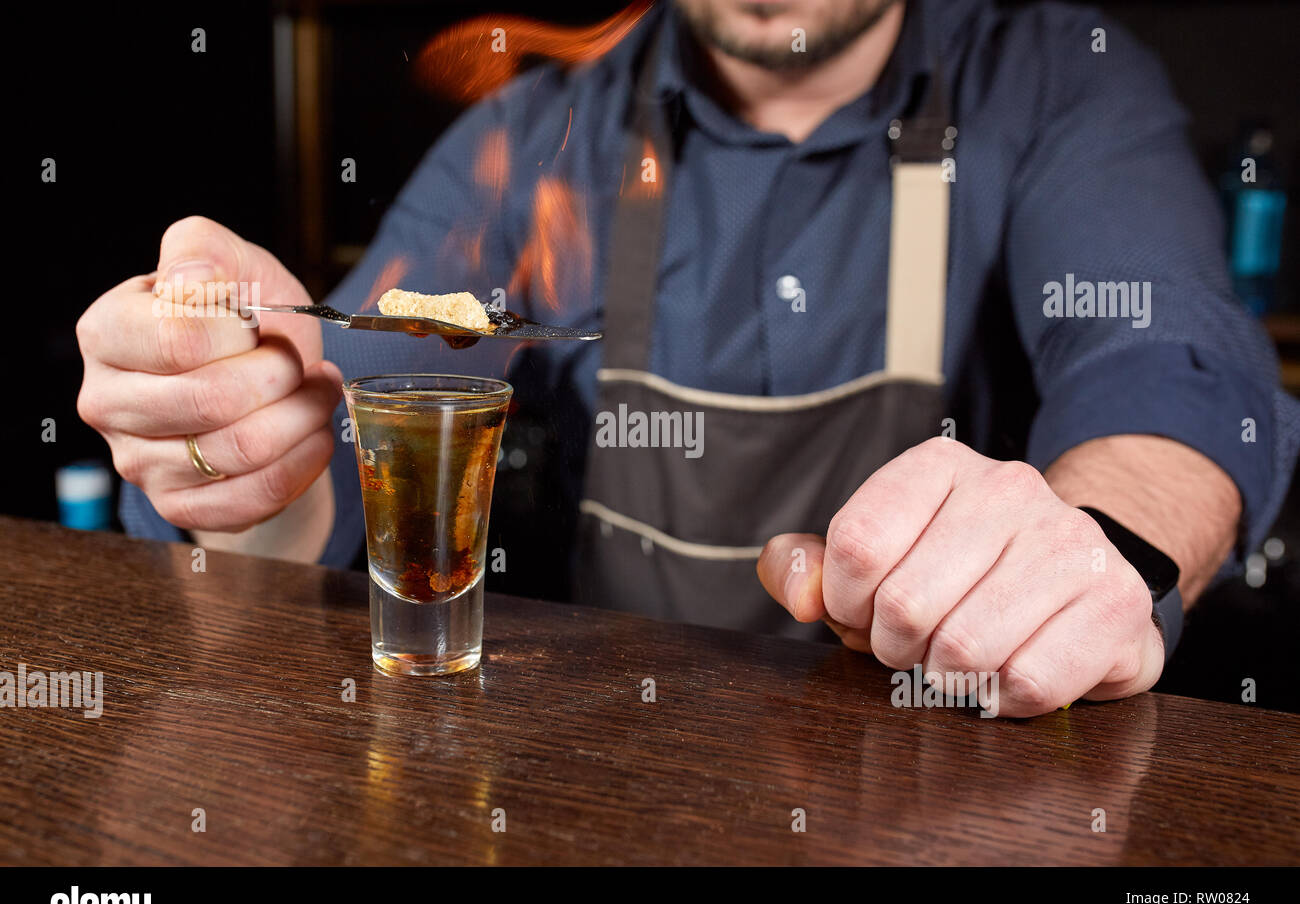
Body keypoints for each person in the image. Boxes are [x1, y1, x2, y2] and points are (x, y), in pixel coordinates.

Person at [76, 0, 1299, 716]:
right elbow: (350, 426)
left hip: (943, 771)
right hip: (609, 759)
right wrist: (240, 443)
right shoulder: (540, 126)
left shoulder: (1050, 77)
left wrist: (1107, 541)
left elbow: (1170, 365)